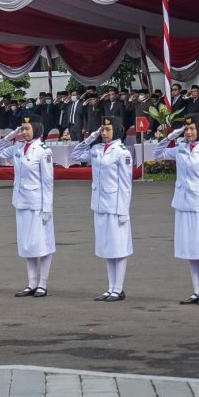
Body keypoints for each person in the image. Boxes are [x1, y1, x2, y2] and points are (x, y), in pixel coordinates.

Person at [154, 114, 199, 306]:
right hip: (183, 204)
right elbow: (157, 154)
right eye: (186, 129)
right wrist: (170, 137)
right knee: (191, 249)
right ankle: (196, 291)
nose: (189, 132)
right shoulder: (180, 149)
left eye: (192, 128)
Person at [71, 117, 133, 302]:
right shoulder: (97, 149)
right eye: (102, 130)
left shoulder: (122, 152)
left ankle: (118, 288)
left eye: (107, 129)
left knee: (119, 248)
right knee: (107, 248)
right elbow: (75, 154)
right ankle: (110, 287)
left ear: (116, 130)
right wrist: (91, 137)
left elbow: (126, 184)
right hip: (100, 205)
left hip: (115, 206)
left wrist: (123, 210)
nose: (104, 133)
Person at [0, 115, 54, 298]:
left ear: (36, 128)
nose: (24, 132)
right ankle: (31, 283)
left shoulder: (43, 151)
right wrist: (12, 135)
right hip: (21, 202)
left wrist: (47, 208)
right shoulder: (18, 148)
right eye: (23, 129)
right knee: (27, 245)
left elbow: (48, 182)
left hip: (38, 204)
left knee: (42, 244)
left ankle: (42, 284)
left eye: (27, 128)